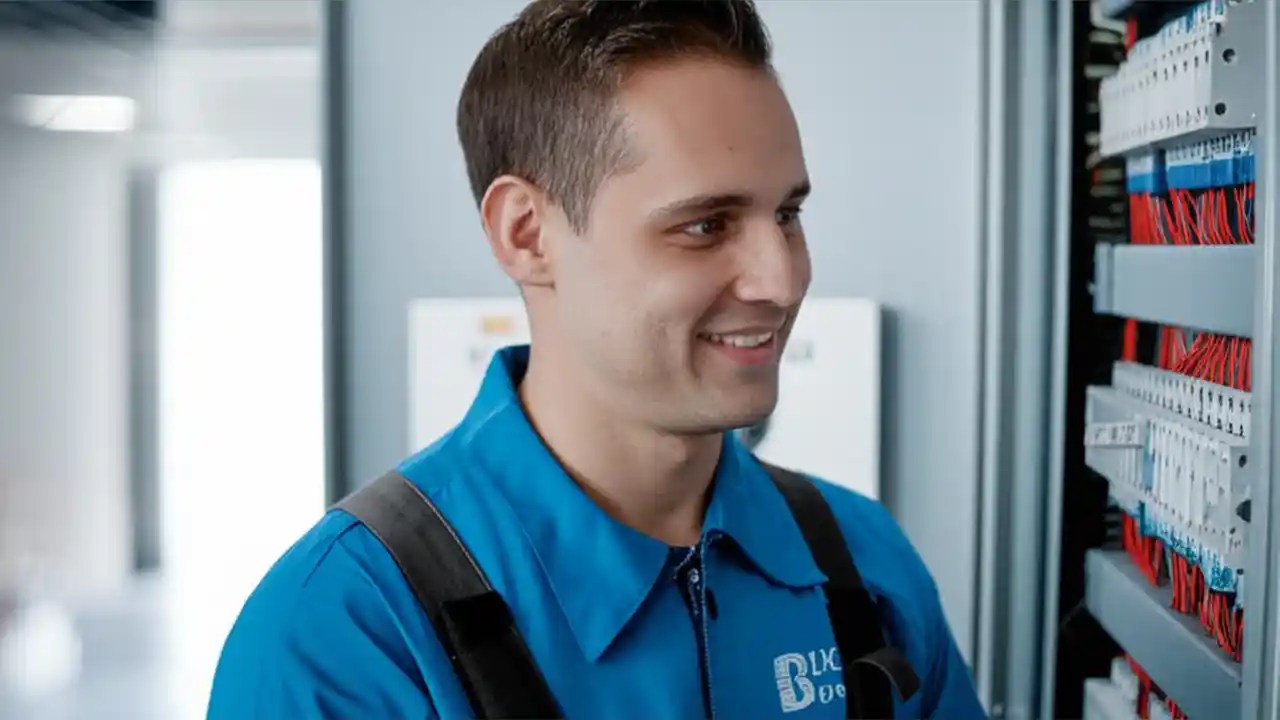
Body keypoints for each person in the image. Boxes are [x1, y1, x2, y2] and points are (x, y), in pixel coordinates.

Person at [207, 1, 987, 718]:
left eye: (786, 214)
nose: (781, 280)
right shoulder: (345, 633)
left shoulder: (861, 560)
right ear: (526, 233)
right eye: (706, 225)